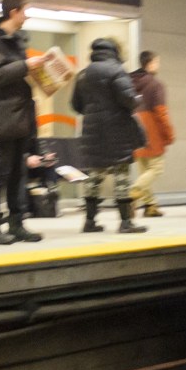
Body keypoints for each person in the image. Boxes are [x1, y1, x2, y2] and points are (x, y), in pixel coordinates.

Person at [0, 0, 44, 245]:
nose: (27, 16)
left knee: (19, 172)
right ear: (14, 12)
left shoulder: (15, 42)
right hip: (3, 116)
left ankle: (17, 223)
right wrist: (26, 66)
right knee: (0, 173)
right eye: (26, 11)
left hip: (21, 115)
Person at [72, 37, 148, 234]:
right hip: (116, 130)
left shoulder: (83, 74)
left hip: (92, 131)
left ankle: (89, 221)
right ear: (115, 51)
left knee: (94, 177)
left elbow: (76, 105)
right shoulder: (116, 70)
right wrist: (137, 98)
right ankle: (125, 222)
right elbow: (129, 100)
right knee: (121, 176)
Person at [129, 50, 177, 219]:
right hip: (151, 129)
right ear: (150, 64)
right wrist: (169, 133)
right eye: (157, 62)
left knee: (144, 169)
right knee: (156, 168)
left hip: (134, 127)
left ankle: (150, 206)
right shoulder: (156, 85)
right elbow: (161, 112)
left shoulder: (129, 82)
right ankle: (132, 194)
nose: (158, 65)